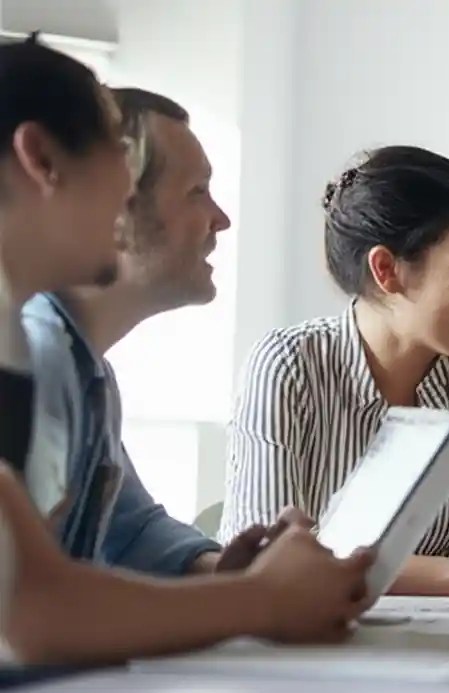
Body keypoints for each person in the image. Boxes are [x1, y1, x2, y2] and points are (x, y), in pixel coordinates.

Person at [0, 36, 373, 666]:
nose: (124, 200)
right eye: (114, 161)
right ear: (41, 159)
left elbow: (52, 568)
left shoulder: (22, 342)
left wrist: (239, 582)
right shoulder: (33, 348)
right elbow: (31, 609)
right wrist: (263, 599)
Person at [221, 146, 449, 612]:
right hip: (301, 650)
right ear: (387, 270)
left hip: (444, 649)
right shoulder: (288, 366)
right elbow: (268, 564)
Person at [22, 86, 297, 576]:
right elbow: (28, 603)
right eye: (197, 192)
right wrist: (256, 599)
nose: (222, 219)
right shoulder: (37, 358)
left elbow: (132, 534)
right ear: (118, 205)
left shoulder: (88, 368)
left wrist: (229, 572)